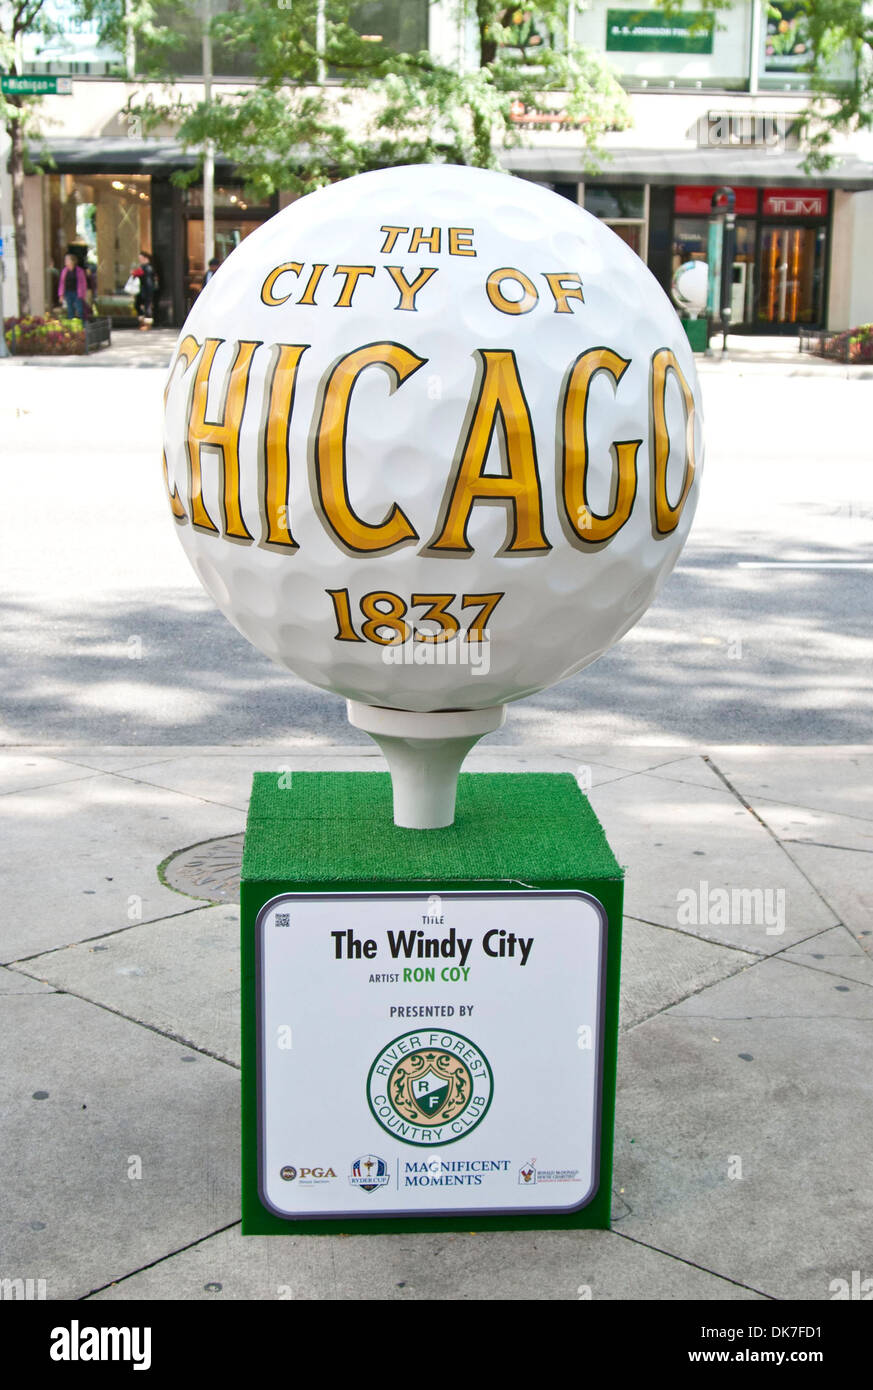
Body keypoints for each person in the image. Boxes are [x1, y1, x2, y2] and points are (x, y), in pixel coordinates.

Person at [58, 253, 87, 320]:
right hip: (68, 293)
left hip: (77, 293)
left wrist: (83, 294)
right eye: (65, 259)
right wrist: (61, 295)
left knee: (79, 310)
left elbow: (83, 283)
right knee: (70, 310)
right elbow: (61, 283)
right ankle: (71, 326)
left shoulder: (80, 271)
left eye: (67, 260)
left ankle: (81, 325)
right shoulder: (64, 271)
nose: (65, 261)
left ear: (72, 261)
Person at [136, 251, 157, 330]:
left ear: (145, 258)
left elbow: (148, 282)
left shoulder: (147, 268)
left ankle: (147, 325)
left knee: (147, 307)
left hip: (146, 290)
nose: (140, 260)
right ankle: (143, 323)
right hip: (144, 290)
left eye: (140, 258)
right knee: (140, 306)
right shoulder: (144, 267)